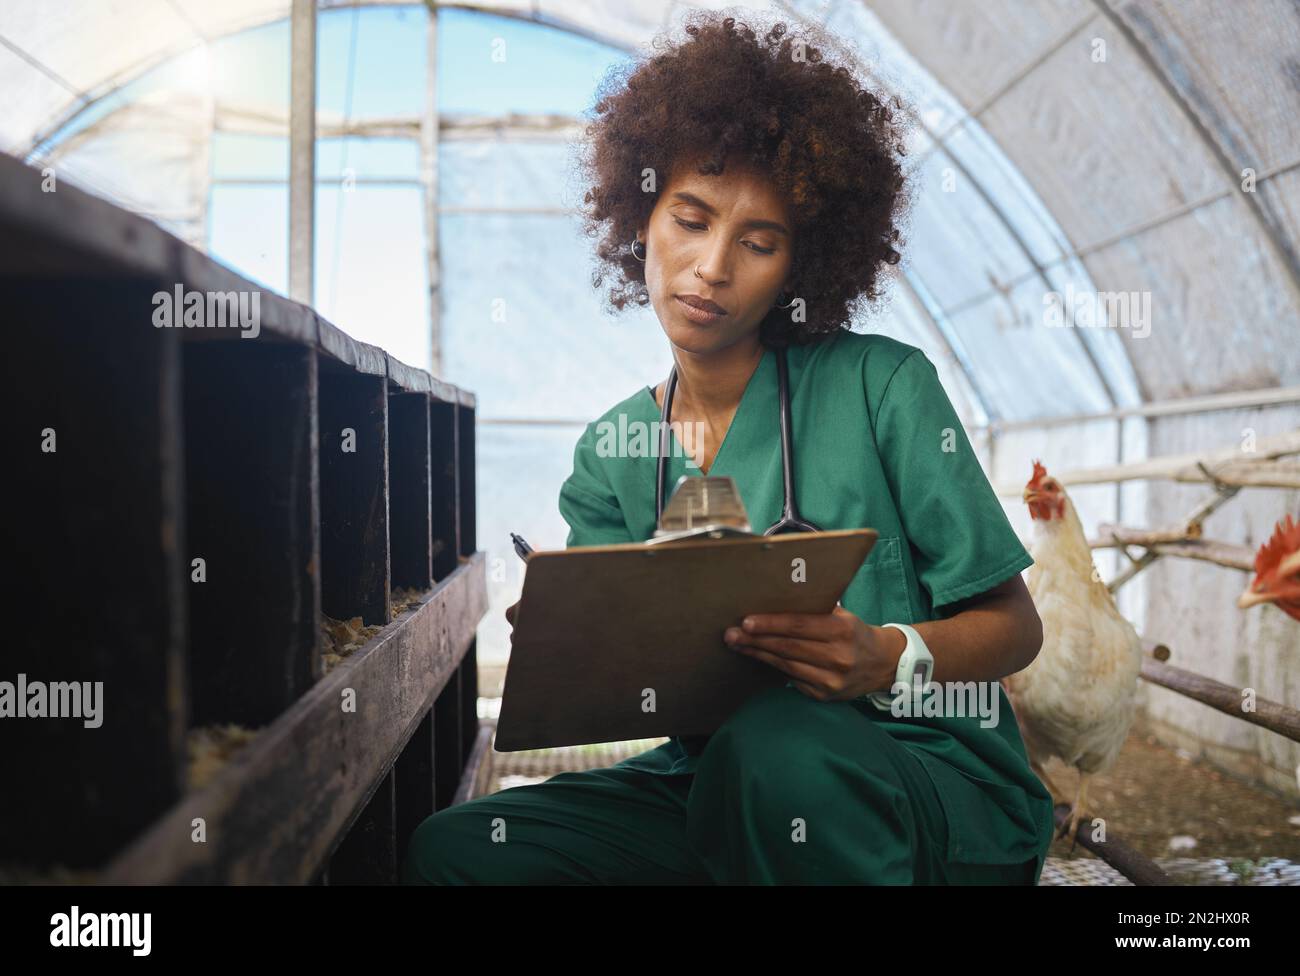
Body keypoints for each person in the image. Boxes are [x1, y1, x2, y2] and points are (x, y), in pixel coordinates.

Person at [402, 10, 1056, 885]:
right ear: (641, 218)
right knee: (457, 855)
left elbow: (1015, 628)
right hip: (719, 783)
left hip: (921, 787)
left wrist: (887, 655)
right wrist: (575, 639)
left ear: (801, 266)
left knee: (779, 750)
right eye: (691, 218)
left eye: (759, 242)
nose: (712, 266)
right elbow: (623, 681)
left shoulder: (884, 389)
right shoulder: (614, 453)